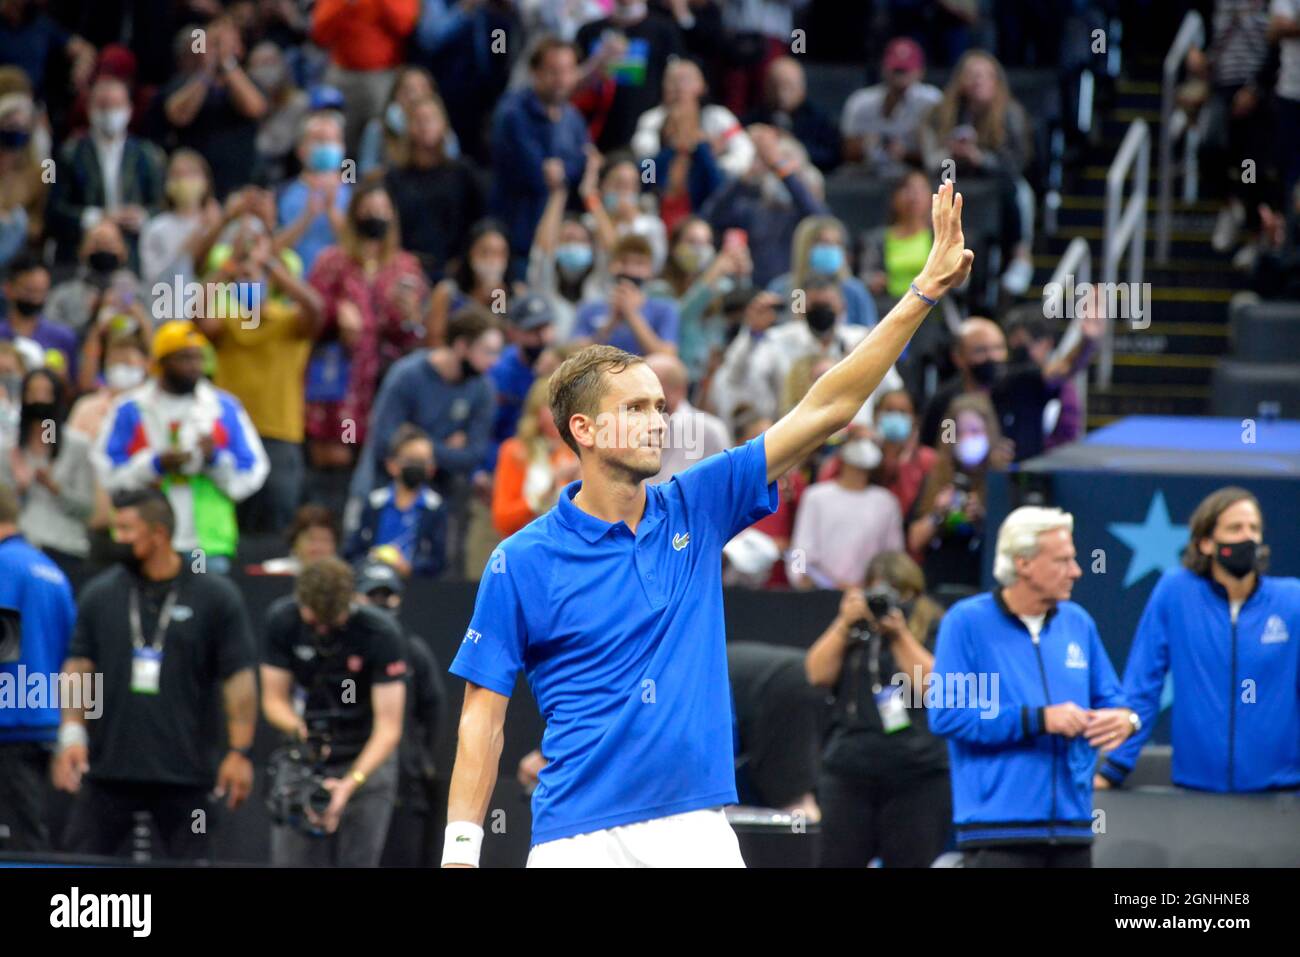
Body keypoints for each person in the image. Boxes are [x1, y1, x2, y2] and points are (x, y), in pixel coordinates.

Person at [440, 179, 973, 868]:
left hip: (695, 829)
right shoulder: (521, 560)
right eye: (635, 408)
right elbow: (483, 713)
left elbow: (826, 409)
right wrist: (459, 851)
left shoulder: (698, 502)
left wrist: (923, 290)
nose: (657, 421)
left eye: (660, 406)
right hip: (574, 836)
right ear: (584, 428)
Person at [54, 489, 258, 861]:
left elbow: (238, 677)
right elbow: (78, 667)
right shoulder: (100, 594)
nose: (118, 539)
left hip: (187, 775)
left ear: (159, 534)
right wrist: (71, 732)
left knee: (194, 861)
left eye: (127, 529)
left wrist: (240, 751)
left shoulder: (214, 596)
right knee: (79, 863)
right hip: (107, 770)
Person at [929, 506, 1136, 867]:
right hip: (997, 833)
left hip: (1073, 830)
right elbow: (949, 715)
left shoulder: (1078, 623)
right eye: (1063, 561)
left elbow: (1115, 701)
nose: (1076, 571)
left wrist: (1125, 720)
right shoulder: (966, 623)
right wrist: (1039, 720)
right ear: (1023, 564)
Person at [1098, 487, 1300, 793]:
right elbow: (1143, 686)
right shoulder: (1175, 592)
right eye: (1235, 528)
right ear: (1206, 542)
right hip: (1197, 794)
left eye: (1254, 528)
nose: (1248, 537)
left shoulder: (1292, 600)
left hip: (1282, 793)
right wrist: (1114, 768)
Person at [805, 551, 951, 867]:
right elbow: (816, 673)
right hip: (849, 769)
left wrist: (899, 635)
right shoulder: (855, 628)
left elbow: (934, 687)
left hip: (916, 773)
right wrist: (844, 624)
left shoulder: (934, 625)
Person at [260, 557, 407, 867]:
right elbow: (273, 700)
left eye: (333, 622)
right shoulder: (282, 621)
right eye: (315, 622)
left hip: (365, 755)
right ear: (300, 602)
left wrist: (351, 782)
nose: (324, 629)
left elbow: (389, 728)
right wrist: (302, 732)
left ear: (351, 602)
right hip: (305, 749)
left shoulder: (379, 633)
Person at [92, 320, 269, 573]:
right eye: (184, 358)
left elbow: (253, 473)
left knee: (202, 607)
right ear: (160, 364)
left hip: (205, 546)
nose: (195, 366)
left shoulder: (223, 408)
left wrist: (214, 460)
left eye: (199, 358)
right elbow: (107, 473)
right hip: (144, 540)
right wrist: (154, 465)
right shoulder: (129, 409)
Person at [198, 211, 324, 533]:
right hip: (231, 437)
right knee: (233, 523)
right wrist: (228, 267)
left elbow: (317, 309)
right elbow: (197, 314)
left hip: (279, 438)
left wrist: (269, 264)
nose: (249, 283)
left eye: (257, 279)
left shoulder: (288, 321)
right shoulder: (228, 324)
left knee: (277, 528)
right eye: (244, 279)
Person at [305, 182, 428, 472]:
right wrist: (337, 314)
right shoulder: (332, 261)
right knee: (335, 461)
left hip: (385, 377)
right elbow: (310, 315)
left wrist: (409, 314)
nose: (376, 216)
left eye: (383, 210)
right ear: (354, 215)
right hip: (340, 377)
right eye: (369, 209)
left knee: (382, 458)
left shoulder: (405, 266)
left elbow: (413, 334)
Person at [354, 559, 446, 868]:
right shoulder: (344, 646)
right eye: (372, 594)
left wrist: (417, 757)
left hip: (401, 781)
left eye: (387, 595)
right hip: (349, 773)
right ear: (355, 597)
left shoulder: (413, 650)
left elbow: (433, 707)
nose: (381, 603)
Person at [0, 481, 76, 853]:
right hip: (45, 724)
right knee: (32, 838)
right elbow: (73, 653)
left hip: (8, 727)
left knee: (18, 846)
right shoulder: (51, 571)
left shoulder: (4, 566)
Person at [918, 312, 1103, 463]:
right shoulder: (946, 400)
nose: (993, 357)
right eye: (981, 351)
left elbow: (1062, 370)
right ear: (958, 356)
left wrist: (1087, 342)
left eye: (998, 348)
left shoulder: (1017, 383)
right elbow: (942, 443)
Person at [489, 37, 588, 270]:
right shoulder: (512, 113)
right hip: (519, 236)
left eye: (568, 71)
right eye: (553, 71)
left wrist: (564, 171)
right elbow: (538, 175)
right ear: (535, 72)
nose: (561, 79)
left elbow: (584, 161)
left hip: (560, 239)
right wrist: (564, 171)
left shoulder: (573, 116)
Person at [48, 74, 165, 266]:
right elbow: (54, 211)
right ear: (90, 109)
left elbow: (160, 206)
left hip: (133, 253)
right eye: (103, 105)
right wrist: (97, 217)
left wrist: (142, 216)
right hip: (81, 252)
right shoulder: (68, 153)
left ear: (129, 109)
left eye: (116, 105)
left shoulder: (147, 154)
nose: (110, 112)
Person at [700, 124, 827, 286]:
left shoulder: (805, 212)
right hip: (757, 293)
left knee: (798, 308)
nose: (776, 173)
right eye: (772, 168)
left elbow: (821, 221)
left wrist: (780, 168)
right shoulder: (755, 210)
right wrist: (745, 178)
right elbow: (712, 215)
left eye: (785, 162)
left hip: (797, 293)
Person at [159, 17, 267, 199]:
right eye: (212, 43)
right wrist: (206, 70)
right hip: (195, 188)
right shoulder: (183, 82)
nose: (218, 49)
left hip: (241, 182)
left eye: (225, 43)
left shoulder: (251, 82)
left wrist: (227, 63)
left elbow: (255, 108)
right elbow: (177, 115)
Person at [907, 392, 1001, 593]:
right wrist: (938, 514)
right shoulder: (935, 478)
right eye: (959, 432)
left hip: (985, 584)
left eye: (975, 431)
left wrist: (981, 519)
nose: (967, 438)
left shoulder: (1001, 482)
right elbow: (915, 541)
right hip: (939, 584)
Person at [0, 369, 93, 570]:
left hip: (64, 547)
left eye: (46, 393)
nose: (38, 400)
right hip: (20, 547)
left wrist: (55, 487)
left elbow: (87, 508)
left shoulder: (76, 446)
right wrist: (18, 489)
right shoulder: (10, 449)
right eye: (32, 393)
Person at [383, 94, 482, 281]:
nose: (424, 126)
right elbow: (390, 226)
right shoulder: (394, 177)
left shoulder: (463, 172)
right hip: (405, 269)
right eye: (418, 120)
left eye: (431, 120)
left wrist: (462, 260)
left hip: (454, 270)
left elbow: (478, 222)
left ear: (443, 125)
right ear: (408, 127)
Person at [787, 436, 904, 591]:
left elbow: (893, 554)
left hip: (867, 593)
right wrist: (800, 577)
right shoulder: (816, 496)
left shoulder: (886, 502)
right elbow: (801, 548)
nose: (858, 472)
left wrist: (874, 585)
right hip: (819, 592)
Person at [573, 0, 685, 152]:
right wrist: (596, 62)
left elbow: (674, 80)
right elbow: (569, 86)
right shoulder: (589, 31)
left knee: (648, 175)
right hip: (593, 139)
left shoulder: (663, 30)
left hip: (645, 138)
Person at [310, 0, 420, 153]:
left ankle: (375, 176)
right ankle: (347, 176)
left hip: (383, 77)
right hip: (343, 75)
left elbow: (404, 25)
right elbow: (319, 34)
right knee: (339, 141)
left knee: (382, 143)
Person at [345, 424, 448, 579]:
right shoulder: (373, 503)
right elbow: (352, 551)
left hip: (417, 588)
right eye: (411, 460)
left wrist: (410, 568)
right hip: (369, 581)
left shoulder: (436, 508)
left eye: (423, 461)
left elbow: (439, 561)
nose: (417, 466)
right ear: (392, 465)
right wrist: (370, 560)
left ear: (431, 468)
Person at [632, 56, 754, 181]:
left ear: (702, 86)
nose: (680, 88)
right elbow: (645, 163)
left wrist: (715, 166)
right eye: (673, 81)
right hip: (663, 185)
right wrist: (676, 149)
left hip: (710, 187)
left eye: (687, 80)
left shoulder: (718, 117)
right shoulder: (651, 119)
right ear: (663, 86)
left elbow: (744, 152)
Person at [491, 376, 580, 538]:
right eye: (553, 406)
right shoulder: (516, 452)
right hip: (528, 544)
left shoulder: (579, 452)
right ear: (537, 411)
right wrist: (548, 489)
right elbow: (503, 520)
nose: (562, 414)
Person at [840, 37, 942, 175]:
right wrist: (867, 145)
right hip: (868, 172)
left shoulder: (931, 100)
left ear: (920, 71)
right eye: (897, 70)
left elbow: (939, 152)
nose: (900, 76)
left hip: (915, 173)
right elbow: (847, 150)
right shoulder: (861, 101)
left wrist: (905, 153)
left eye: (905, 70)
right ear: (884, 68)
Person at [571, 234, 680, 356]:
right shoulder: (589, 308)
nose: (630, 269)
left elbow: (667, 355)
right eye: (624, 262)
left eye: (639, 263)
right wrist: (611, 323)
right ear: (612, 266)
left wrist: (631, 314)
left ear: (650, 270)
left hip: (646, 371)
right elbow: (573, 356)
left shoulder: (665, 309)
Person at [275, 109, 352, 274]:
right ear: (301, 149)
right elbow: (273, 247)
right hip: (295, 284)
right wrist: (306, 217)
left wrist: (332, 212)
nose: (326, 146)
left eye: (332, 140)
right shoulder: (283, 192)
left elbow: (356, 245)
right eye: (319, 140)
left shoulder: (354, 193)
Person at [767, 215, 878, 328]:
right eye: (825, 243)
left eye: (837, 244)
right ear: (806, 246)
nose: (831, 249)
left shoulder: (854, 291)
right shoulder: (783, 288)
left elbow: (869, 332)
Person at [743, 56, 840, 172]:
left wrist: (798, 148)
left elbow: (832, 155)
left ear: (802, 89)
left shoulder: (818, 119)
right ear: (766, 87)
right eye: (775, 86)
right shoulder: (754, 118)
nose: (781, 93)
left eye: (788, 86)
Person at [644, 352, 730, 484]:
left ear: (679, 389)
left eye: (653, 387)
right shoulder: (633, 427)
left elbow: (723, 484)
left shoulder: (710, 430)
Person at [139, 148, 215, 295]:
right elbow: (154, 281)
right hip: (171, 306)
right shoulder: (156, 228)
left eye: (192, 173)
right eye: (178, 174)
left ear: (206, 181)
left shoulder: (220, 223)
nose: (185, 180)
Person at [0, 253, 77, 381]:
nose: (35, 299)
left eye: (41, 291)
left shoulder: (63, 337)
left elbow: (74, 391)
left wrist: (61, 379)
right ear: (8, 289)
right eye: (28, 290)